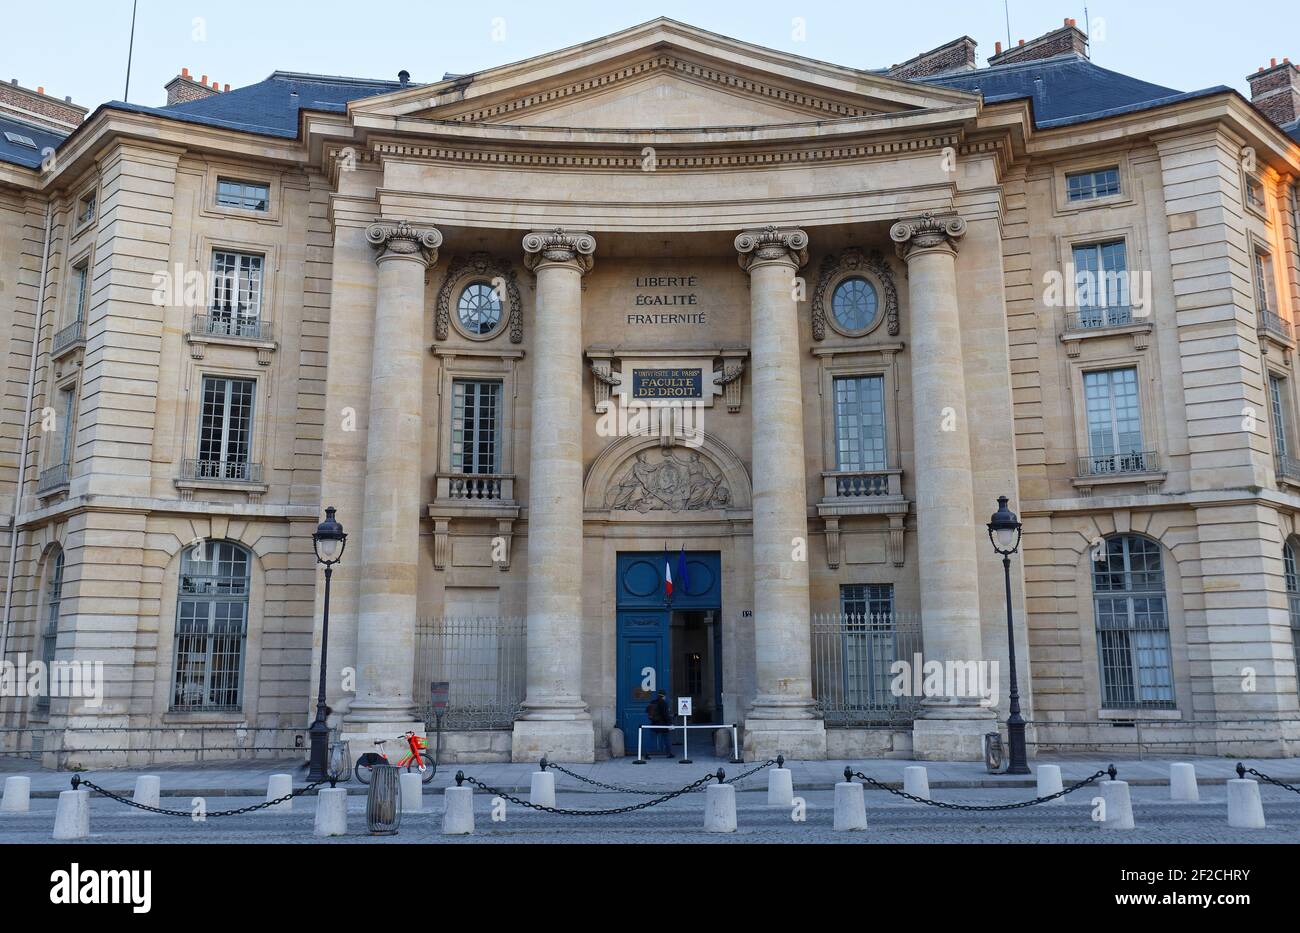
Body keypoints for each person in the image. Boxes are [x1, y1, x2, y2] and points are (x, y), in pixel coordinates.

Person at [646, 690, 674, 758]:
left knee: (652, 739)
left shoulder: (653, 702)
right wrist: (670, 723)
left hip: (654, 723)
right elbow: (665, 714)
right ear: (664, 696)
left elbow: (647, 711)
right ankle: (669, 753)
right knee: (666, 738)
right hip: (663, 724)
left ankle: (647, 753)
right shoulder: (663, 703)